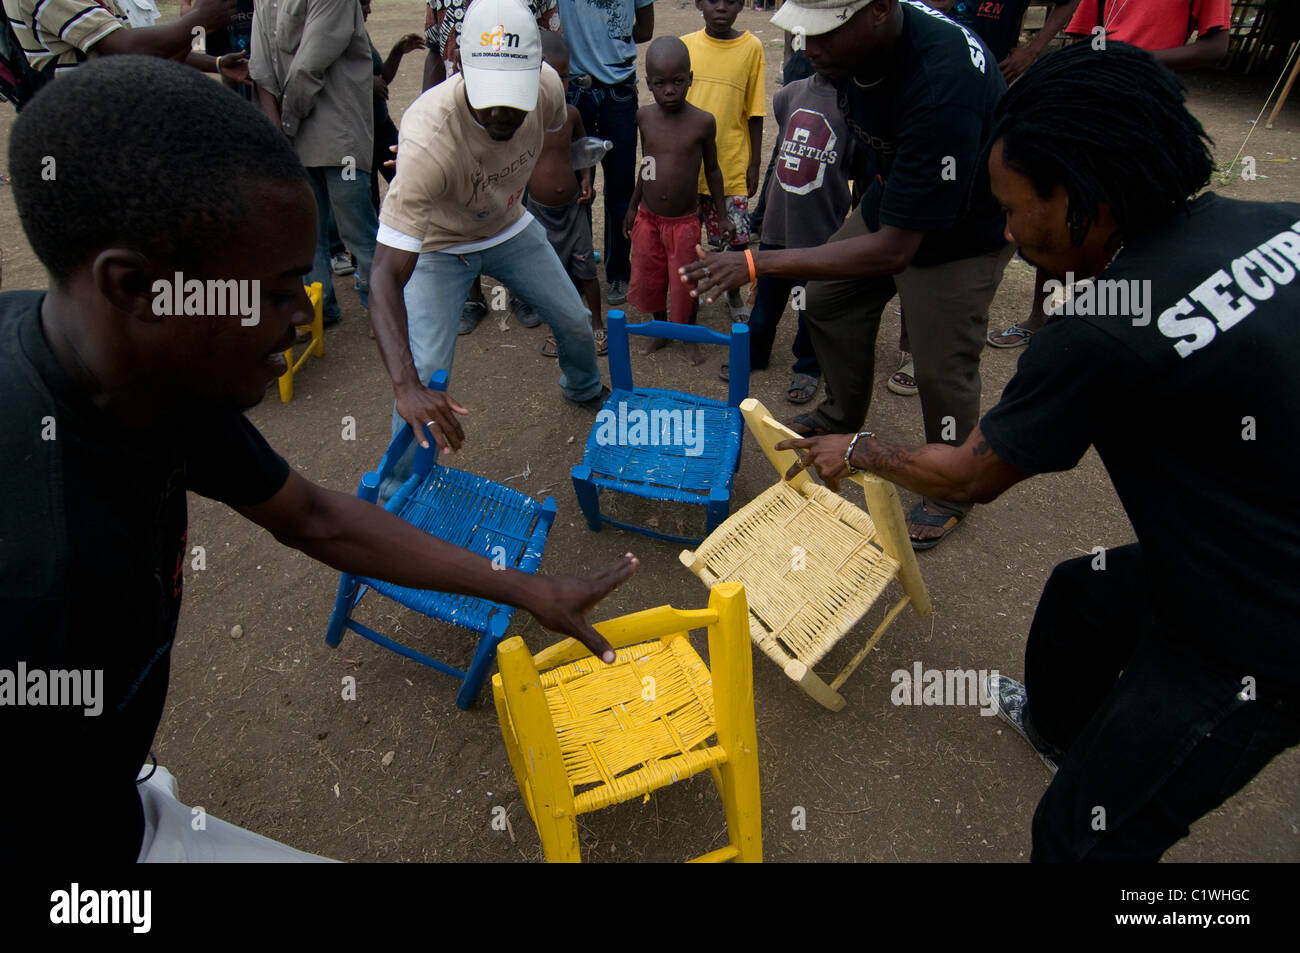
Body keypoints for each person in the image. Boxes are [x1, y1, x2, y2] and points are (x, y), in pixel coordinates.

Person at [0, 55, 637, 862]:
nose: (300, 322)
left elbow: (313, 515)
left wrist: (524, 588)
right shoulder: (45, 585)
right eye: (270, 292)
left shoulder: (130, 368)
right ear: (133, 287)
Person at [777, 41, 1300, 862]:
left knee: (1077, 835)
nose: (1013, 235)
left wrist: (861, 448)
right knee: (1079, 599)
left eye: (1017, 209)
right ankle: (1057, 729)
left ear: (1081, 193)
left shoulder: (1097, 336)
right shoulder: (1278, 223)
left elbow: (973, 473)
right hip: (1241, 535)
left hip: (1259, 631)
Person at [683, 0, 1013, 551]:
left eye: (825, 34)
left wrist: (755, 260)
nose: (810, 49)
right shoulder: (845, 48)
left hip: (962, 231)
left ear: (879, 11)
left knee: (941, 367)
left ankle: (951, 487)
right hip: (897, 197)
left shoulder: (940, 84)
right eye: (803, 34)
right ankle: (842, 413)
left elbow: (892, 253)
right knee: (829, 299)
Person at [370, 0, 607, 500]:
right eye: (489, 97)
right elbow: (384, 276)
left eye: (513, 97)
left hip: (509, 226)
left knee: (572, 318)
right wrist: (405, 384)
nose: (502, 113)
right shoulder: (428, 139)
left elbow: (540, 152)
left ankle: (583, 388)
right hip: (439, 246)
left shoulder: (547, 90)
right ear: (459, 62)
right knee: (427, 366)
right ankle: (396, 491)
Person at [988, 0, 1232, 348]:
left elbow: (1216, 46)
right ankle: (1041, 318)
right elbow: (1085, 39)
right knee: (1060, 209)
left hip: (1138, 107)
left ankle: (1114, 324)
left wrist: (1131, 63)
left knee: (1132, 219)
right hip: (1091, 105)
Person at [419, 0, 564, 335]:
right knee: (458, 201)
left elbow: (550, 40)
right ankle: (471, 296)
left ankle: (521, 290)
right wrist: (429, 118)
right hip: (463, 108)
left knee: (511, 192)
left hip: (514, 107)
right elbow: (434, 49)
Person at [725, 69, 854, 402]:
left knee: (808, 305)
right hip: (778, 226)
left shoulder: (854, 105)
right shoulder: (789, 95)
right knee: (766, 300)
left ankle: (808, 366)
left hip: (819, 234)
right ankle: (755, 354)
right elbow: (781, 153)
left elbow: (856, 169)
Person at [251, 0, 377, 329]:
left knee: (356, 225)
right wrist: (274, 125)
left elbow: (309, 65)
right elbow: (261, 66)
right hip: (291, 129)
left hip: (338, 132)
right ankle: (319, 310)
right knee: (308, 229)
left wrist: (283, 125)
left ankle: (380, 307)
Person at [622, 36, 731, 366]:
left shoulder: (702, 122)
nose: (669, 90)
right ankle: (661, 328)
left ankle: (688, 334)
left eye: (678, 81)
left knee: (687, 279)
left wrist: (722, 215)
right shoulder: (645, 118)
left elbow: (712, 169)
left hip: (684, 221)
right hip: (648, 217)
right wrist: (632, 206)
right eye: (660, 83)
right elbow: (647, 164)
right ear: (648, 84)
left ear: (690, 79)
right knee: (651, 274)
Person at [556, 0, 656, 307]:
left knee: (620, 190)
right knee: (576, 190)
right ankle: (579, 268)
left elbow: (644, 29)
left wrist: (604, 41)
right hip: (575, 91)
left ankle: (618, 272)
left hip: (619, 91)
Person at [682, 0, 764, 319]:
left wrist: (754, 163)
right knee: (689, 240)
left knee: (736, 239)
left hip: (730, 168)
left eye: (730, 1)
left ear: (742, 5)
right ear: (701, 3)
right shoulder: (685, 46)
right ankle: (687, 299)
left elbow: (754, 112)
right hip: (690, 169)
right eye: (713, 0)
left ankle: (733, 293)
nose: (721, 8)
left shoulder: (752, 47)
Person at [528, 32, 608, 359]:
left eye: (562, 76)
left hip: (573, 209)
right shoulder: (524, 117)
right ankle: (556, 326)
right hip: (540, 212)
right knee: (551, 274)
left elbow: (583, 151)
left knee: (586, 268)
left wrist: (587, 179)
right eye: (548, 75)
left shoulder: (571, 115)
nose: (557, 83)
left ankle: (597, 323)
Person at [3, 0, 248, 89]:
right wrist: (200, 20)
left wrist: (214, 63)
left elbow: (149, 54)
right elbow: (131, 50)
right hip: (83, 126)